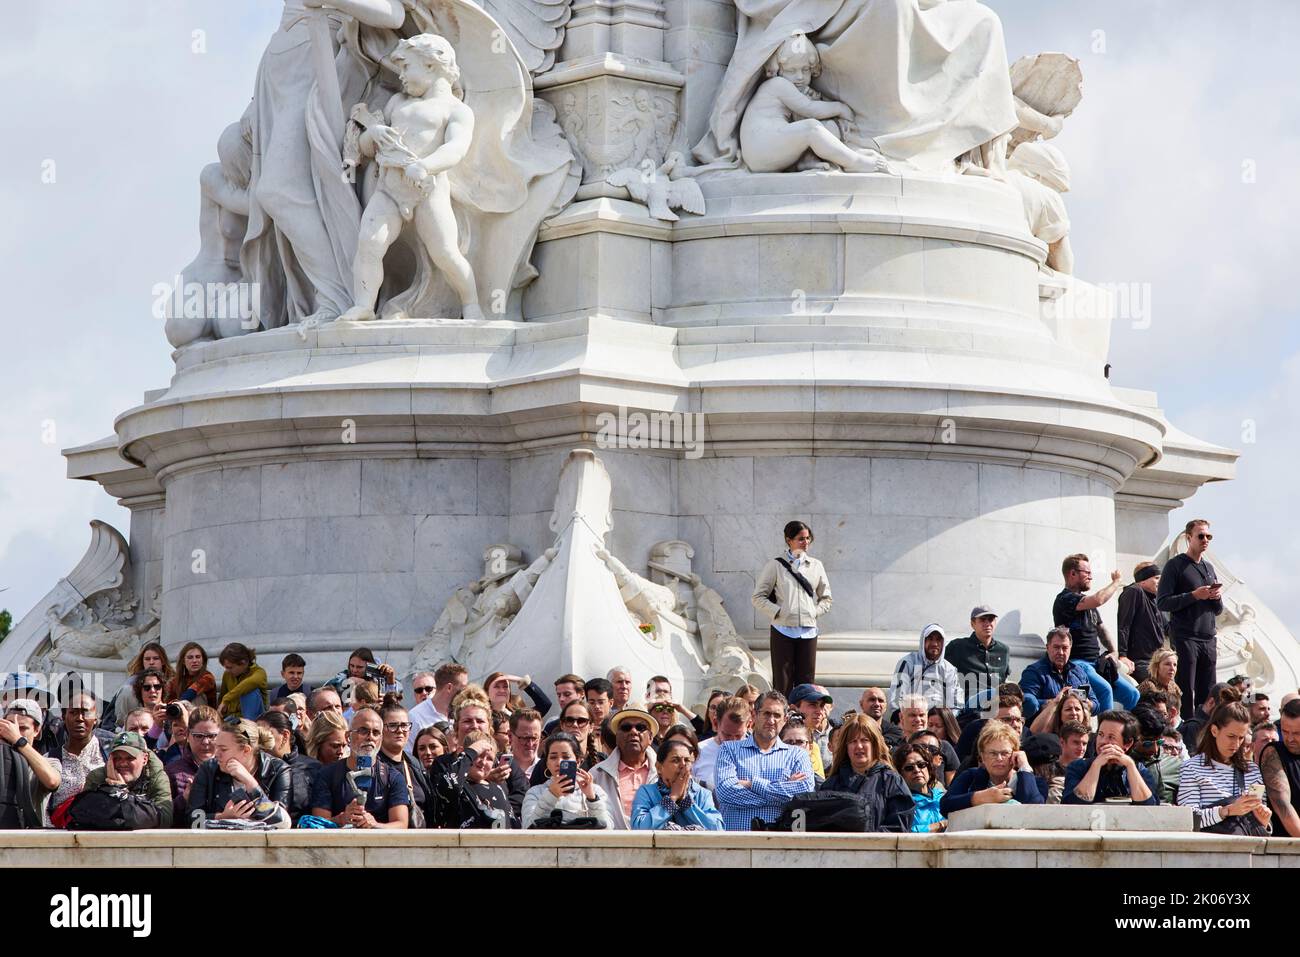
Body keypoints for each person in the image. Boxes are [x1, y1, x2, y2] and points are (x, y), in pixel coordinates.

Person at [751, 520, 833, 695]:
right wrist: (779, 612)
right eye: (801, 539)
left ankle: (804, 719)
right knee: (782, 682)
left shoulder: (816, 565)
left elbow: (826, 598)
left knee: (807, 683)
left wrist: (814, 612)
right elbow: (758, 596)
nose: (806, 543)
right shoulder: (775, 565)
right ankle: (782, 718)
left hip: (809, 630)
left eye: (808, 538)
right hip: (782, 629)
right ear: (789, 540)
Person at [715, 690, 814, 830]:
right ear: (754, 715)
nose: (771, 721)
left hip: (779, 843)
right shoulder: (729, 749)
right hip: (737, 842)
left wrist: (752, 784)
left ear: (785, 719)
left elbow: (805, 792)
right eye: (766, 713)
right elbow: (725, 793)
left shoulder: (797, 755)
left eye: (777, 715)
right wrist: (783, 791)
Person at [1054, 554, 1138, 710]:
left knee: (1132, 694)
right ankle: (1106, 733)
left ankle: (1124, 733)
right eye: (1087, 573)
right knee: (1104, 691)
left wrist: (1114, 651)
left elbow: (1102, 628)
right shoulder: (1065, 599)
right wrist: (1116, 582)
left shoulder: (1087, 603)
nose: (1091, 577)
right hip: (1077, 665)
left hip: (1096, 664)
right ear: (1073, 573)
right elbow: (1099, 599)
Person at [1158, 519, 1225, 714]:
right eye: (1201, 536)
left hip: (1208, 636)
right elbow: (1162, 602)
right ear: (1189, 538)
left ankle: (1204, 731)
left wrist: (1216, 597)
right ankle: (1186, 729)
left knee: (1209, 690)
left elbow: (1218, 609)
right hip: (1186, 636)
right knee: (1186, 688)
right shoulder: (1175, 566)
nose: (1205, 540)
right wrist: (1194, 595)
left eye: (1208, 536)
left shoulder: (1209, 568)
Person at [1177, 701, 1270, 834]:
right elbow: (1188, 820)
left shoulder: (1252, 770)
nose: (1236, 744)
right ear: (1214, 731)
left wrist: (1264, 820)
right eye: (1231, 736)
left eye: (1241, 738)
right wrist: (1227, 811)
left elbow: (1259, 822)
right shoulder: (1191, 768)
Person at [310, 707, 410, 828]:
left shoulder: (393, 777)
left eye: (376, 733)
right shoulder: (327, 775)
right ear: (348, 737)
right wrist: (342, 819)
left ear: (381, 738)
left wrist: (375, 825)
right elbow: (317, 824)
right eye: (363, 731)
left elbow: (401, 824)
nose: (370, 737)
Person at [185, 718, 292, 828]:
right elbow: (192, 818)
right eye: (216, 747)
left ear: (246, 750)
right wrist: (222, 817)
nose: (216, 754)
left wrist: (251, 784)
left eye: (223, 749)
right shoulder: (209, 769)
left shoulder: (278, 770)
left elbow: (281, 822)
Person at [818, 713, 914, 831]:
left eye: (865, 740)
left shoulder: (892, 781)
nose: (859, 746)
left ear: (875, 744)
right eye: (853, 741)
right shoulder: (832, 784)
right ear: (846, 747)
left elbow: (900, 826)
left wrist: (866, 840)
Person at [60, 732, 172, 830]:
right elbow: (83, 815)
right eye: (117, 758)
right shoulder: (98, 776)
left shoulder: (156, 776)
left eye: (130, 758)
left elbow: (165, 819)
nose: (122, 763)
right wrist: (111, 790)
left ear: (145, 759)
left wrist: (122, 794)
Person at [940, 721, 1045, 815]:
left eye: (1005, 753)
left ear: (1015, 754)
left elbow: (1034, 811)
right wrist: (981, 797)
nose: (999, 758)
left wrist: (1024, 767)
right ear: (982, 757)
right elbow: (945, 806)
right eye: (992, 753)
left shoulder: (1036, 782)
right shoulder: (970, 776)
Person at [40, 690, 109, 824]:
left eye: (86, 712)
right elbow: (42, 807)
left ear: (96, 718)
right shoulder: (49, 760)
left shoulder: (110, 754)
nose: (80, 718)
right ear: (63, 717)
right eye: (73, 712)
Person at [1062, 710, 1157, 805]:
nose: (1102, 741)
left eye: (1111, 737)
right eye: (1100, 734)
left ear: (1127, 743)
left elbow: (1149, 806)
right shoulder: (1078, 767)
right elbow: (1073, 804)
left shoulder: (1140, 770)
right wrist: (1096, 765)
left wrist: (1130, 765)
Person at [427, 731, 518, 829]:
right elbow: (452, 786)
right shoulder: (458, 784)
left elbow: (514, 824)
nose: (483, 762)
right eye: (478, 755)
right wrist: (470, 752)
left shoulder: (498, 788)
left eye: (489, 759)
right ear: (463, 754)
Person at [521, 732, 611, 828]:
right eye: (553, 757)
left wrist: (592, 799)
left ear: (578, 761)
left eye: (566, 757)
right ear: (547, 763)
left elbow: (609, 830)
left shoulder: (595, 791)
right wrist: (551, 795)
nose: (559, 762)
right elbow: (527, 828)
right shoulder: (535, 793)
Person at [632, 737, 724, 830]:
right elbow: (639, 827)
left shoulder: (702, 794)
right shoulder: (646, 792)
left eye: (687, 760)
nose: (683, 765)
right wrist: (672, 798)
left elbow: (717, 829)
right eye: (675, 760)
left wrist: (685, 802)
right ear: (659, 767)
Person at [591, 704, 659, 829]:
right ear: (616, 737)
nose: (633, 731)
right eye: (626, 727)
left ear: (650, 737)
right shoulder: (597, 774)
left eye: (640, 727)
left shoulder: (665, 773)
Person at [1018, 628, 1103, 721]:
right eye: (1056, 647)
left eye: (1064, 648)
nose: (1061, 652)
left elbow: (1096, 706)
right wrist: (1054, 702)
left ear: (1070, 648)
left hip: (1073, 728)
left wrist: (1085, 703)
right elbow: (1027, 702)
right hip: (1046, 729)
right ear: (1048, 647)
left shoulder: (1079, 672)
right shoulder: (1034, 672)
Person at [0, 700, 61, 827]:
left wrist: (18, 740)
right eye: (10, 726)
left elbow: (52, 781)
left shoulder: (49, 761)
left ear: (37, 730)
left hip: (27, 838)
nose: (15, 731)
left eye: (22, 728)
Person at [257, 710, 320, 825]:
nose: (259, 743)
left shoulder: (311, 768)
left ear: (285, 736)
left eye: (264, 735)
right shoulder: (254, 767)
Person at [376, 695, 430, 829]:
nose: (400, 731)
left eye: (405, 725)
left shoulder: (415, 764)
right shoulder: (373, 765)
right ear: (381, 730)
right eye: (393, 726)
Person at [944, 606, 1011, 709]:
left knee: (1026, 700)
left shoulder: (1003, 650)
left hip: (998, 702)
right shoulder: (958, 647)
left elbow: (1004, 679)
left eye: (991, 619)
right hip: (970, 702)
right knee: (992, 694)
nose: (987, 624)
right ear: (972, 624)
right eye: (982, 620)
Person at [165, 705, 221, 826]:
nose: (205, 742)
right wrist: (184, 799)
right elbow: (162, 818)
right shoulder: (172, 771)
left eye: (211, 736)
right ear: (188, 735)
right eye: (199, 736)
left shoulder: (231, 769)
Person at [890, 624, 962, 711]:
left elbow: (956, 705)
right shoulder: (907, 663)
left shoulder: (949, 669)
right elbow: (897, 699)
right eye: (930, 639)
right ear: (923, 641)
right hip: (913, 717)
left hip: (939, 721)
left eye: (938, 640)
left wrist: (947, 721)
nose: (934, 644)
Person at [1117, 564, 1166, 683]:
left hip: (1156, 659)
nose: (1160, 581)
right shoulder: (1134, 591)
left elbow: (1168, 627)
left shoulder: (1154, 599)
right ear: (1143, 580)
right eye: (1157, 578)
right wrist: (1122, 655)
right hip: (1139, 660)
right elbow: (1124, 625)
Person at [1259, 698, 1300, 838]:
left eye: (1297, 733)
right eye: (1285, 731)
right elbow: (1283, 806)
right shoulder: (1273, 753)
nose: (1289, 739)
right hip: (1287, 848)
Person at [110, 642, 175, 728]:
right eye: (147, 659)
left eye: (155, 658)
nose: (151, 662)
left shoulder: (174, 681)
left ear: (163, 661)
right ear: (142, 662)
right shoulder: (131, 683)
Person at [407, 663, 467, 746]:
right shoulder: (415, 717)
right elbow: (409, 754)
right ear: (449, 687)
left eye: (428, 688)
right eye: (463, 688)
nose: (465, 692)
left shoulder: (463, 713)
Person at [696, 696, 749, 788]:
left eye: (738, 736)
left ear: (749, 724)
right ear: (716, 724)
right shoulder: (699, 752)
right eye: (727, 735)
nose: (733, 742)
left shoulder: (758, 753)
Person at [893, 743, 945, 832]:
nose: (917, 770)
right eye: (909, 768)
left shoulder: (943, 797)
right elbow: (902, 833)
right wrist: (939, 826)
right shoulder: (900, 805)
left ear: (929, 768)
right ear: (900, 774)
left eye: (921, 765)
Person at [323, 646, 402, 699]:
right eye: (352, 665)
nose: (354, 670)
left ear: (369, 667)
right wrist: (347, 682)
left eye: (359, 667)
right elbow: (326, 688)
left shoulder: (380, 677)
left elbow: (393, 702)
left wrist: (391, 681)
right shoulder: (344, 675)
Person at [1180, 682, 1238, 752]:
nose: (1226, 714)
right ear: (1211, 702)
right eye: (1222, 709)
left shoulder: (1220, 727)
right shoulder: (1192, 727)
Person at [217, 642, 269, 719]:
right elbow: (222, 697)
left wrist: (226, 699)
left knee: (250, 691)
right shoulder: (227, 674)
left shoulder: (259, 673)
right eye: (226, 668)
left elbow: (251, 683)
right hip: (232, 718)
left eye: (230, 667)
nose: (227, 670)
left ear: (243, 663)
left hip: (256, 719)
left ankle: (249, 729)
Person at [167, 642, 217, 707]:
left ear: (203, 660)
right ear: (183, 661)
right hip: (182, 713)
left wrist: (177, 705)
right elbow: (168, 700)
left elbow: (191, 693)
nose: (194, 660)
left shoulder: (208, 677)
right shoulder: (176, 680)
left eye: (198, 657)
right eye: (190, 657)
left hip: (204, 715)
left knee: (196, 697)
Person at [508, 708, 544, 778]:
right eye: (525, 738)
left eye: (534, 738)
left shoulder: (547, 770)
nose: (530, 744)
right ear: (510, 736)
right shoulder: (498, 767)